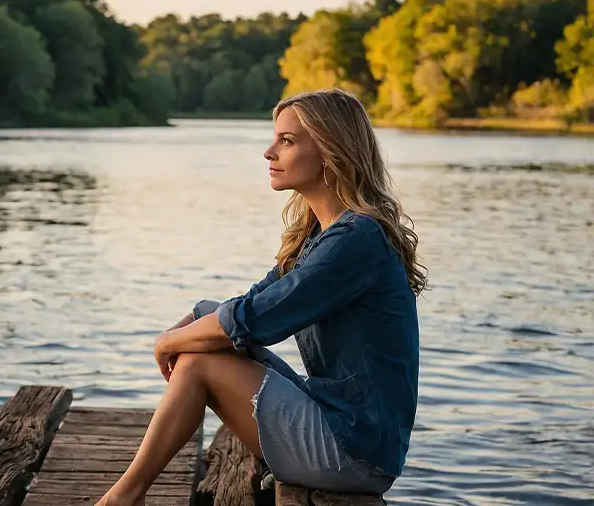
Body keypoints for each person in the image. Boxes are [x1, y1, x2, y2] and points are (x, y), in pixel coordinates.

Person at [97, 88, 427, 506]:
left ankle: (122, 498)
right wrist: (193, 319)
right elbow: (254, 301)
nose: (269, 152)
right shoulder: (320, 235)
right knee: (205, 330)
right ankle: (127, 496)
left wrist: (167, 343)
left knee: (199, 360)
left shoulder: (355, 240)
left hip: (357, 454)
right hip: (338, 423)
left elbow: (258, 320)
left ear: (330, 151)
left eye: (286, 141)